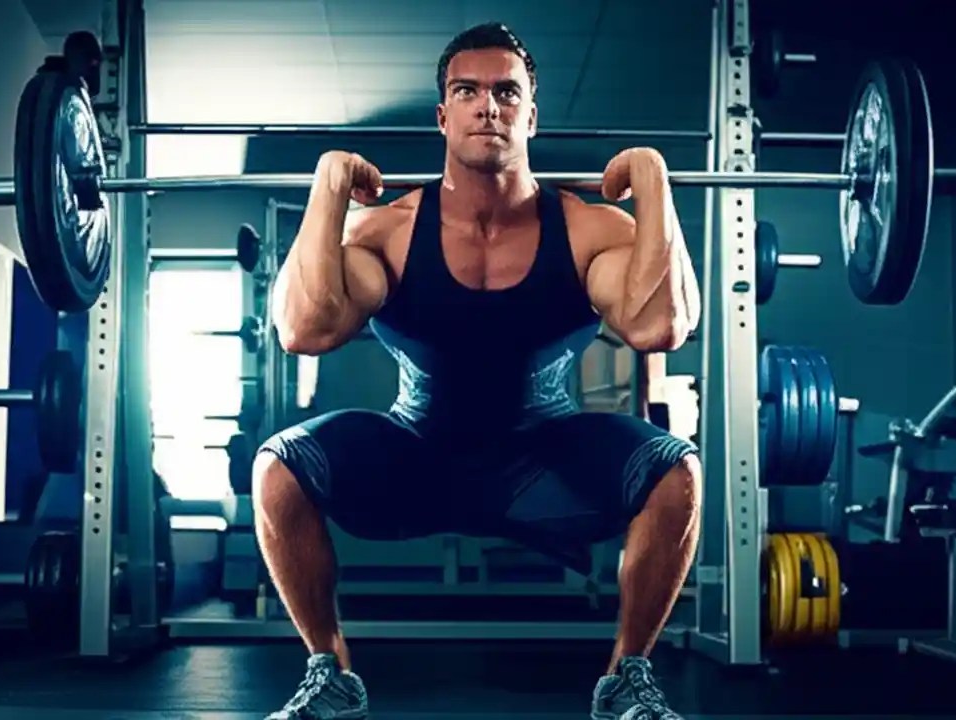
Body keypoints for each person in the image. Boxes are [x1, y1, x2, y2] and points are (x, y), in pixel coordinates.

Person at [253, 21, 703, 720]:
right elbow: (305, 330)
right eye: (467, 90)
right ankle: (329, 673)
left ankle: (628, 682)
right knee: (277, 468)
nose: (486, 106)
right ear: (444, 115)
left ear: (530, 112)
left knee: (679, 472)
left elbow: (659, 324)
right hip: (415, 456)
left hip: (543, 463)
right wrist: (328, 184)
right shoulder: (391, 230)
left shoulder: (587, 228)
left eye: (505, 91)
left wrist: (653, 179)